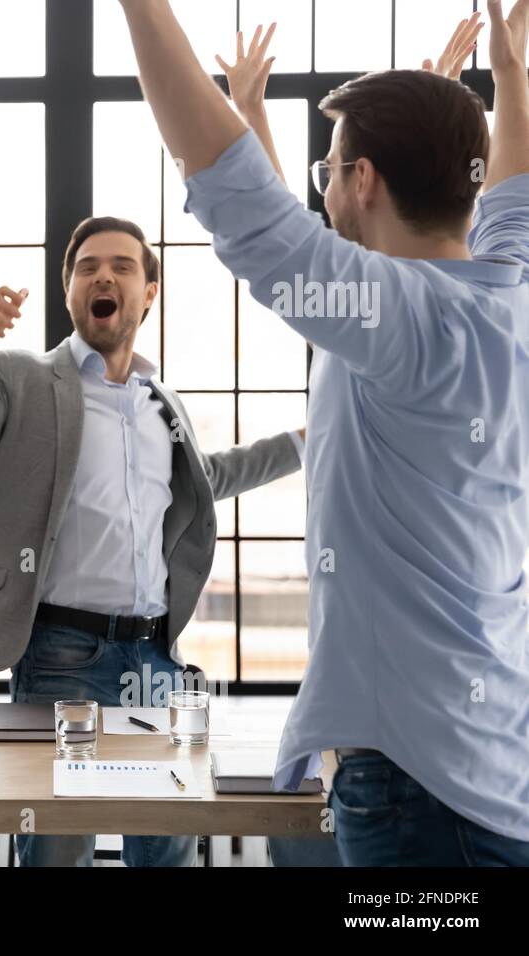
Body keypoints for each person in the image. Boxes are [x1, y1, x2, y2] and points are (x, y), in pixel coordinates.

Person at [117, 0, 529, 864]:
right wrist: (509, 75)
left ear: (366, 182)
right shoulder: (506, 291)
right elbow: (509, 190)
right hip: (485, 766)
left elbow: (253, 215)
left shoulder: (401, 320)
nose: (322, 188)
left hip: (422, 794)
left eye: (329, 170)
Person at [0, 215, 305, 867]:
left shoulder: (160, 404)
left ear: (150, 292)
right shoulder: (22, 377)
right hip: (62, 657)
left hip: (156, 660)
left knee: (166, 852)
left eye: (123, 266)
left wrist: (303, 445)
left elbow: (209, 479)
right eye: (88, 266)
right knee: (59, 850)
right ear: (68, 291)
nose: (104, 276)